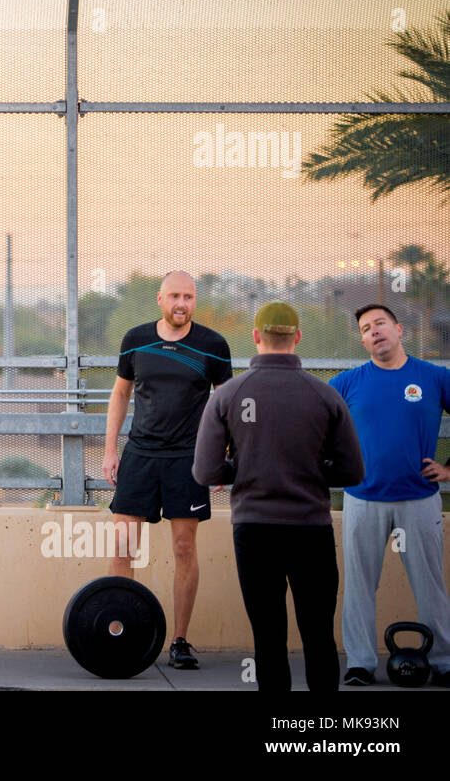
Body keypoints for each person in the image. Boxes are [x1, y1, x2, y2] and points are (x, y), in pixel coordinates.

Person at [193, 302, 364, 692]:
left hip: (254, 531)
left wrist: (244, 468)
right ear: (298, 338)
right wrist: (312, 470)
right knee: (319, 634)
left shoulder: (228, 395)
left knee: (268, 639)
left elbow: (205, 472)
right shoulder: (324, 395)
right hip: (310, 530)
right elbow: (353, 472)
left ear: (255, 337)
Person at [102, 270, 232, 669]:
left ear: (195, 301)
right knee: (124, 547)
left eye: (189, 297)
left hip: (188, 461)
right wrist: (110, 451)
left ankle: (179, 641)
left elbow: (224, 405)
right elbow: (120, 393)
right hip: (140, 456)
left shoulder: (213, 345)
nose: (182, 303)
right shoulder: (136, 339)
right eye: (175, 296)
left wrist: (220, 463)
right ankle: (120, 631)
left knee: (183, 548)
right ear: (160, 299)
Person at [330, 304, 450, 686]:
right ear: (362, 340)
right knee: (361, 584)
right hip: (363, 499)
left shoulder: (433, 377)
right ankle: (361, 664)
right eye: (366, 328)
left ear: (400, 330)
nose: (374, 331)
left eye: (380, 323)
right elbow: (313, 426)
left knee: (431, 585)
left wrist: (449, 469)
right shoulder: (347, 383)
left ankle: (444, 662)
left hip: (419, 499)